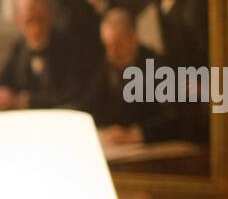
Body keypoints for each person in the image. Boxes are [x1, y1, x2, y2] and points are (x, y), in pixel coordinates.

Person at [70, 8, 184, 146]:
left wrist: (137, 134)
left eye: (118, 44)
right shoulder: (107, 64)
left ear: (133, 37)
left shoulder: (159, 67)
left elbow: (175, 118)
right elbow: (90, 103)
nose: (112, 52)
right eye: (108, 45)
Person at [0, 0, 89, 112]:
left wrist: (25, 101)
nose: (36, 28)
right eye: (29, 21)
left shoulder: (69, 48)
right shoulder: (19, 47)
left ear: (49, 15)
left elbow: (72, 95)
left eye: (41, 19)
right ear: (17, 20)